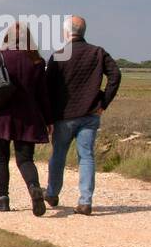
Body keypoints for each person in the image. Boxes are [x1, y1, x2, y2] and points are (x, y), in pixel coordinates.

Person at [45, 15, 120, 215]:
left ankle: (52, 193)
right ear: (83, 32)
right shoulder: (97, 52)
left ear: (66, 32)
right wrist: (104, 102)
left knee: (58, 155)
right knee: (86, 156)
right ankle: (85, 200)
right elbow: (116, 75)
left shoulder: (59, 55)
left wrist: (48, 118)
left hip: (63, 116)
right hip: (90, 114)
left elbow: (47, 89)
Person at [0, 22, 51, 215]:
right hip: (28, 118)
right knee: (25, 159)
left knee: (1, 159)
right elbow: (42, 95)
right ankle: (34, 187)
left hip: (0, 116)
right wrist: (48, 119)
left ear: (7, 38)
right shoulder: (37, 62)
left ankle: (2, 199)